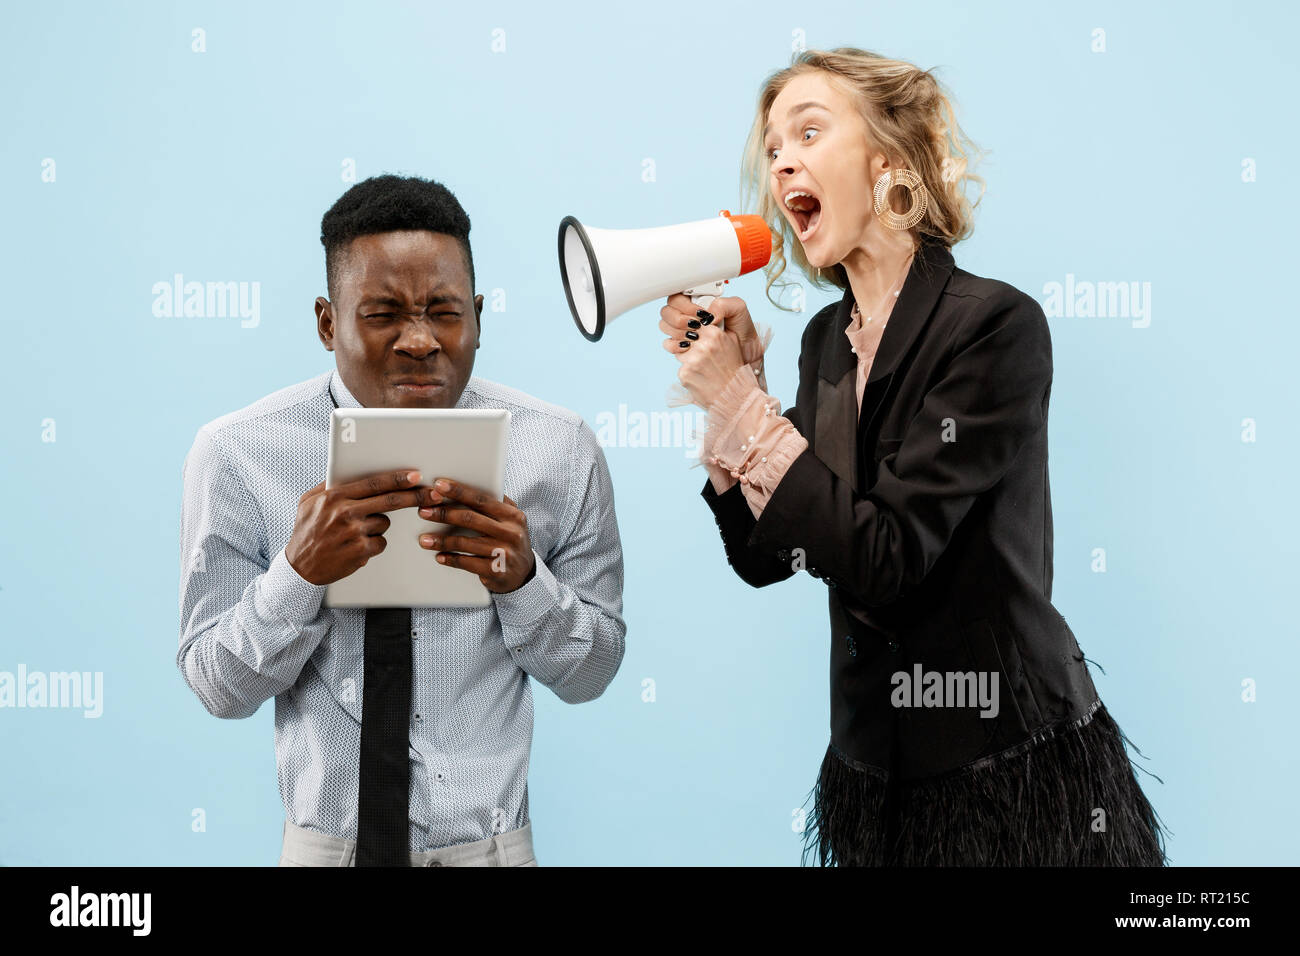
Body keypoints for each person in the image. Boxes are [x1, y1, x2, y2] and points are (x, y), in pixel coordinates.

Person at [660, 48, 1168, 866]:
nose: (782, 158)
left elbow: (886, 557)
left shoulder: (995, 327)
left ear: (890, 161)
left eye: (810, 130)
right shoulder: (829, 340)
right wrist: (742, 392)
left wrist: (742, 407)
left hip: (1004, 768)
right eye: (773, 147)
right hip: (873, 772)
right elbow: (774, 557)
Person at [178, 174, 625, 867]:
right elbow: (215, 683)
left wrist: (524, 582)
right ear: (328, 320)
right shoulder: (238, 453)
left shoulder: (559, 448)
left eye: (444, 312)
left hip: (492, 854)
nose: (420, 341)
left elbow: (592, 672)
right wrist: (298, 577)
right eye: (383, 313)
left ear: (477, 314)